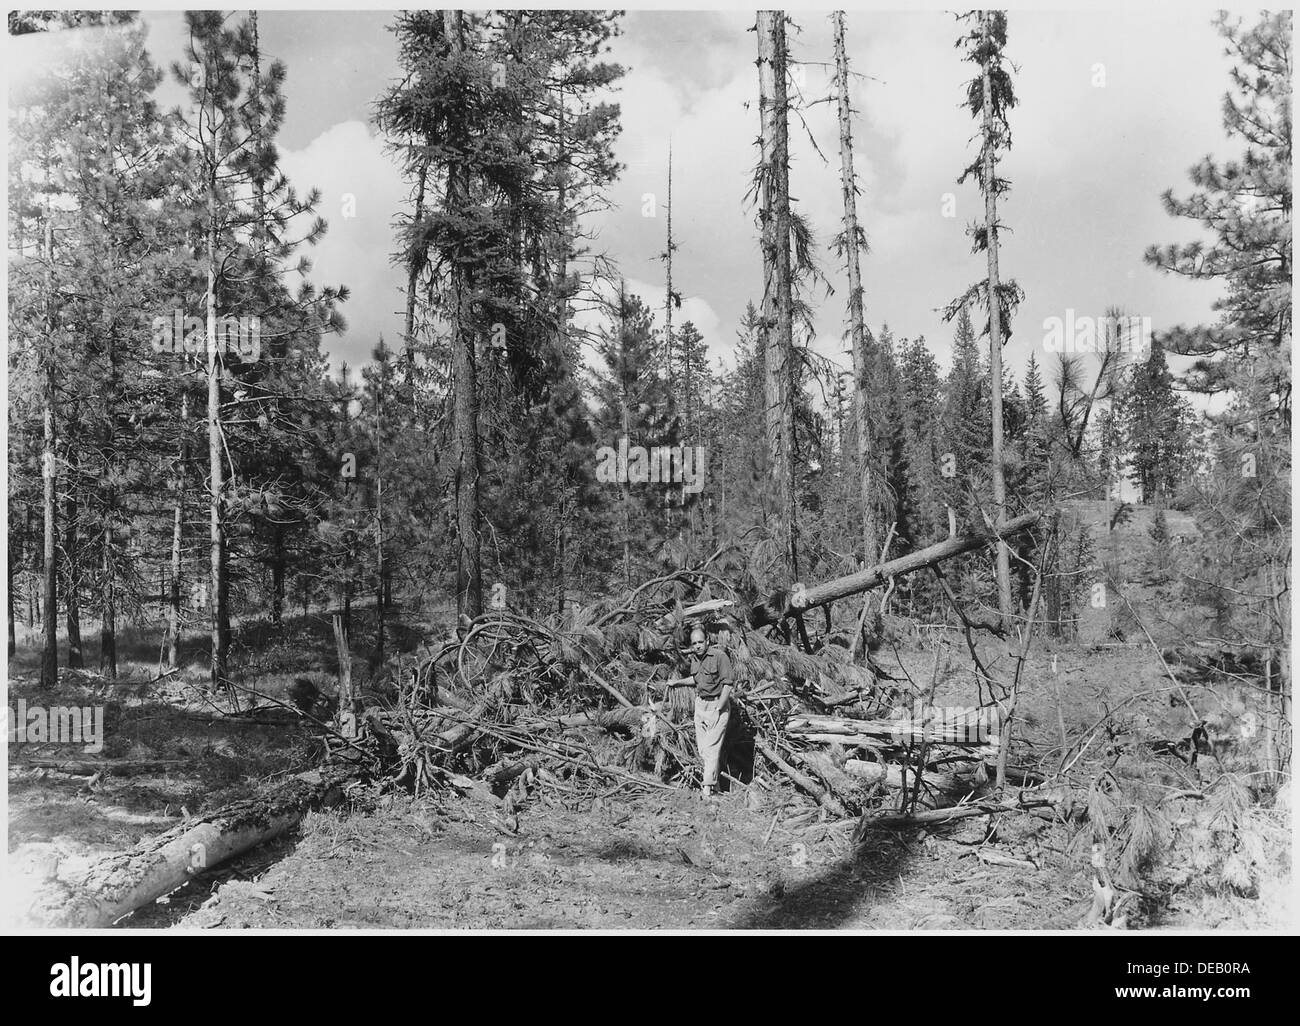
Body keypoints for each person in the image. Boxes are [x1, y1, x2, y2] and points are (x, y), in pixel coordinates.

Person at [657, 626, 735, 798]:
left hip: (717, 705)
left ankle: (706, 789)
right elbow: (696, 679)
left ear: (707, 640)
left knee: (711, 749)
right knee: (703, 750)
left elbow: (728, 685)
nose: (698, 646)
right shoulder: (695, 659)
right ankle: (715, 786)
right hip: (700, 705)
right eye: (694, 643)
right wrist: (677, 683)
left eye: (701, 642)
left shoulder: (719, 657)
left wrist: (718, 709)